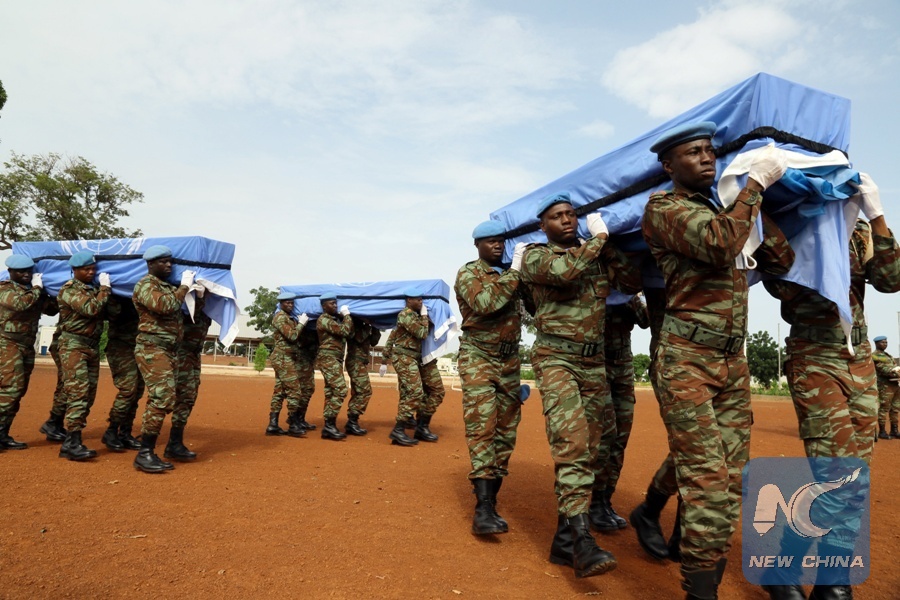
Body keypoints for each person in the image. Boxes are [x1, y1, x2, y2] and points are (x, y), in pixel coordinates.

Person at [642, 122, 794, 599]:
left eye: (711, 151)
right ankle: (700, 591)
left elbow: (783, 260)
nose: (706, 158)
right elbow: (718, 243)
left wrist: (754, 202)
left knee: (728, 475)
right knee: (709, 482)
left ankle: (650, 509)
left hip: (732, 363)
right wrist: (753, 188)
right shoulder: (663, 209)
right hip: (686, 358)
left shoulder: (727, 208)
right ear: (669, 166)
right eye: (693, 152)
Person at [763, 174, 900, 599]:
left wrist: (876, 215)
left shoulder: (859, 229)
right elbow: (780, 286)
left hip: (857, 357)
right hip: (814, 356)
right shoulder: (788, 226)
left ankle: (832, 578)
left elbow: (891, 279)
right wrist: (812, 235)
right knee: (837, 474)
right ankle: (784, 569)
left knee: (856, 477)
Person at [519, 192, 642, 578]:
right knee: (572, 444)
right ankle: (581, 540)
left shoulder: (594, 254)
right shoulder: (537, 257)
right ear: (543, 226)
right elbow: (564, 273)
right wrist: (600, 241)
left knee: (598, 447)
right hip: (556, 358)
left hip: (594, 363)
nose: (567, 220)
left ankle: (562, 539)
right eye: (557, 216)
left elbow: (631, 280)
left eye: (572, 214)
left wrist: (609, 245)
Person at [454, 220, 528, 535]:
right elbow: (487, 303)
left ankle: (491, 500)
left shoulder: (512, 274)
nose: (498, 246)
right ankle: (483, 509)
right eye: (491, 241)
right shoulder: (469, 273)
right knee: (482, 426)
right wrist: (515, 272)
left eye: (501, 241)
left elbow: (535, 310)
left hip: (510, 360)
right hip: (478, 357)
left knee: (506, 432)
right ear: (477, 245)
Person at [589, 292, 649, 532]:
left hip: (623, 364)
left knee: (621, 436)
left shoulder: (628, 289)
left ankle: (605, 499)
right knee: (606, 434)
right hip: (596, 364)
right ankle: (592, 501)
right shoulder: (596, 283)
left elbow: (646, 320)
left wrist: (631, 296)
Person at [132, 245, 194, 473]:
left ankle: (167, 446)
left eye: (170, 261)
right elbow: (165, 306)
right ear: (150, 264)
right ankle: (144, 453)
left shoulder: (169, 287)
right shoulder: (146, 284)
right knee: (162, 397)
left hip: (169, 349)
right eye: (163, 262)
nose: (169, 265)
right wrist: (185, 286)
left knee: (171, 397)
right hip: (151, 346)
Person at [56, 250, 113, 461]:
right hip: (73, 345)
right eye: (86, 269)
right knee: (78, 393)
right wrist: (105, 288)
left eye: (92, 269)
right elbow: (92, 309)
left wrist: (101, 289)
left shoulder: (92, 289)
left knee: (88, 394)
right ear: (74, 270)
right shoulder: (69, 290)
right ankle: (72, 442)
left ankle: (71, 438)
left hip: (90, 346)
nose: (91, 272)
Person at [0, 255, 58, 449]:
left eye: (29, 271)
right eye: (21, 272)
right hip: (7, 345)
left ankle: (3, 433)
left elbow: (51, 311)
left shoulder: (33, 293)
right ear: (11, 272)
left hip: (25, 346)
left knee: (19, 391)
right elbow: (20, 304)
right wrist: (38, 288)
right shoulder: (5, 289)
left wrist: (52, 292)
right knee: (10, 389)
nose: (26, 274)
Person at [167, 286, 212, 460]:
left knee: (189, 397)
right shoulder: (187, 305)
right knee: (180, 396)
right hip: (182, 353)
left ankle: (175, 441)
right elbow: (188, 315)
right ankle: (169, 442)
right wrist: (198, 296)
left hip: (194, 355)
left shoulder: (209, 308)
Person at [383, 289, 430, 447]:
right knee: (416, 392)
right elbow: (422, 333)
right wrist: (425, 316)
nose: (421, 302)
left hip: (409, 357)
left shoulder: (411, 316)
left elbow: (393, 336)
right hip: (404, 357)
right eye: (419, 299)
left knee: (407, 392)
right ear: (409, 300)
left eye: (422, 299)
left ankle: (404, 424)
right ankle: (398, 429)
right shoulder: (406, 315)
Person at [101, 295, 144, 452]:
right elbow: (112, 313)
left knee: (137, 391)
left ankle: (125, 433)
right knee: (128, 389)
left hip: (139, 346)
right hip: (120, 346)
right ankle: (111, 431)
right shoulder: (118, 294)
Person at [268, 291, 308, 437]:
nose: (290, 305)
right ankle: (292, 423)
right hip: (282, 357)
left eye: (292, 303)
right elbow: (292, 336)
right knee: (295, 390)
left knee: (280, 391)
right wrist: (301, 324)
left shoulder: (289, 318)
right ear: (281, 303)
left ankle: (273, 425)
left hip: (286, 357)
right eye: (287, 303)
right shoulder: (280, 318)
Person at [316, 293, 354, 441]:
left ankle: (329, 426)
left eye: (335, 303)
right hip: (328, 357)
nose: (335, 306)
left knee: (331, 391)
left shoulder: (333, 320)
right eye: (332, 303)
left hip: (334, 358)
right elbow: (344, 331)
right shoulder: (324, 319)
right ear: (324, 306)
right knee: (340, 389)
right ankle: (329, 425)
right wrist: (348, 316)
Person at [344, 316, 381, 435]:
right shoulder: (353, 326)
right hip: (354, 361)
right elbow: (359, 338)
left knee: (358, 392)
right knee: (365, 391)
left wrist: (375, 327)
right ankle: (352, 420)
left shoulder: (367, 327)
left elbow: (374, 341)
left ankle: (352, 421)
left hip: (360, 362)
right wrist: (367, 325)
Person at [40, 327, 67, 442]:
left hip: (66, 341)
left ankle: (56, 423)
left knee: (66, 384)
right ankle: (53, 423)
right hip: (65, 342)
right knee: (69, 384)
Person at [872, 335, 900, 440]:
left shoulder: (887, 355)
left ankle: (894, 430)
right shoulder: (875, 356)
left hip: (894, 385)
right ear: (876, 343)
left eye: (886, 342)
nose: (885, 344)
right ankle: (882, 432)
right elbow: (884, 370)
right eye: (883, 342)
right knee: (884, 408)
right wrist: (897, 372)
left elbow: (893, 368)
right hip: (885, 386)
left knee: (895, 409)